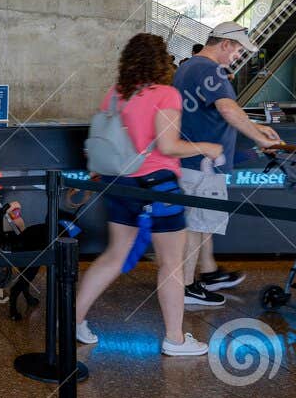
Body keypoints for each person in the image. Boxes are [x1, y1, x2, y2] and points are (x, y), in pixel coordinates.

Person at [73, 33, 219, 356]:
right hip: (157, 185)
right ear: (161, 61)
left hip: (119, 183)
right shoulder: (166, 94)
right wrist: (206, 147)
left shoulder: (115, 94)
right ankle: (175, 339)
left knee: (114, 255)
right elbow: (168, 146)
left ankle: (74, 320)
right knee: (171, 264)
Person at [172, 23, 281, 307]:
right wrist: (259, 137)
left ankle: (203, 277)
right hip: (203, 165)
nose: (238, 57)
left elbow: (220, 111)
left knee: (198, 224)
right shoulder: (210, 70)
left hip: (193, 163)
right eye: (238, 51)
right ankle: (186, 289)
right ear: (225, 44)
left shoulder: (190, 67)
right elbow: (227, 108)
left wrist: (256, 126)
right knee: (195, 226)